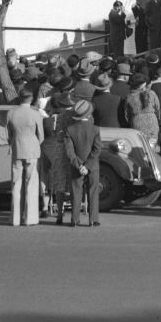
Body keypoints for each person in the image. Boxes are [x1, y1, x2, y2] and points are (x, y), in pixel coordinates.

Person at [6, 85, 44, 227]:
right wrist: (36, 145)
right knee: (31, 184)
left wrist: (13, 143)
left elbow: (8, 135)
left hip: (16, 148)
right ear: (32, 99)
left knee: (16, 184)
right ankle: (30, 218)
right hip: (33, 149)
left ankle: (15, 218)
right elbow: (41, 136)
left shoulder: (11, 113)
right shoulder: (35, 114)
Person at [64, 99, 102, 227]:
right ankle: (93, 219)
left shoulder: (69, 130)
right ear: (89, 115)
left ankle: (74, 219)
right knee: (93, 192)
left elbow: (70, 152)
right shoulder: (95, 129)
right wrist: (87, 166)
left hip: (76, 166)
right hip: (93, 166)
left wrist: (79, 165)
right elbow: (97, 150)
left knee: (76, 193)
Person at [42, 93, 76, 224]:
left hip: (58, 148)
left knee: (59, 185)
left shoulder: (52, 117)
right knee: (72, 184)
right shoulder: (72, 116)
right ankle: (74, 213)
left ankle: (59, 215)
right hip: (69, 148)